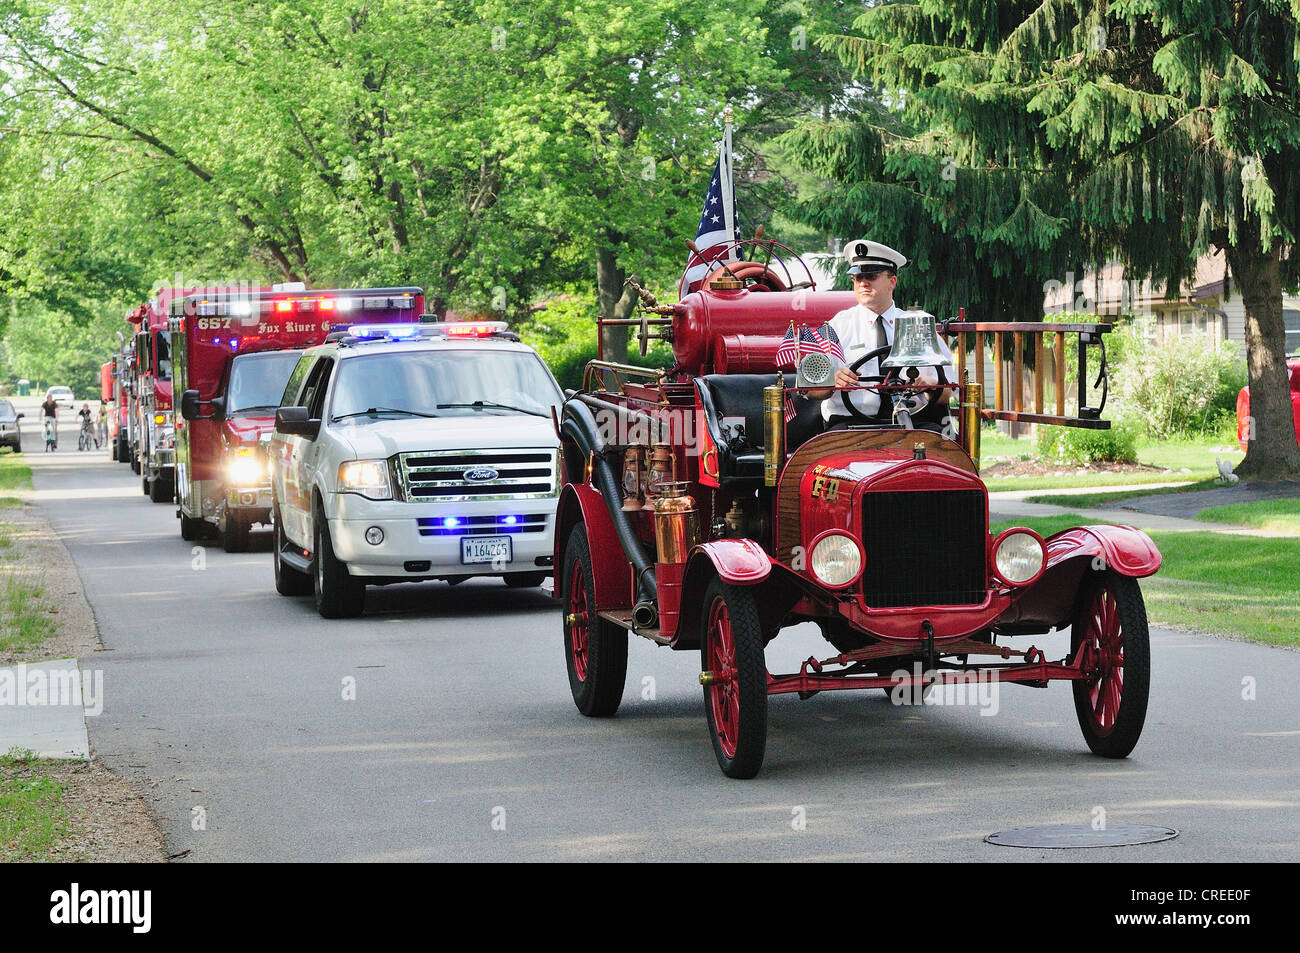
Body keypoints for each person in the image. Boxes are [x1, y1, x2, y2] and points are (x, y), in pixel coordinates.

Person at [816, 239, 956, 431]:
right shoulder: (838, 327)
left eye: (871, 275)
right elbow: (811, 391)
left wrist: (931, 385)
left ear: (892, 281)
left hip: (914, 423)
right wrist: (833, 380)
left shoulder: (919, 324)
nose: (863, 282)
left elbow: (947, 394)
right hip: (849, 427)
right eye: (857, 277)